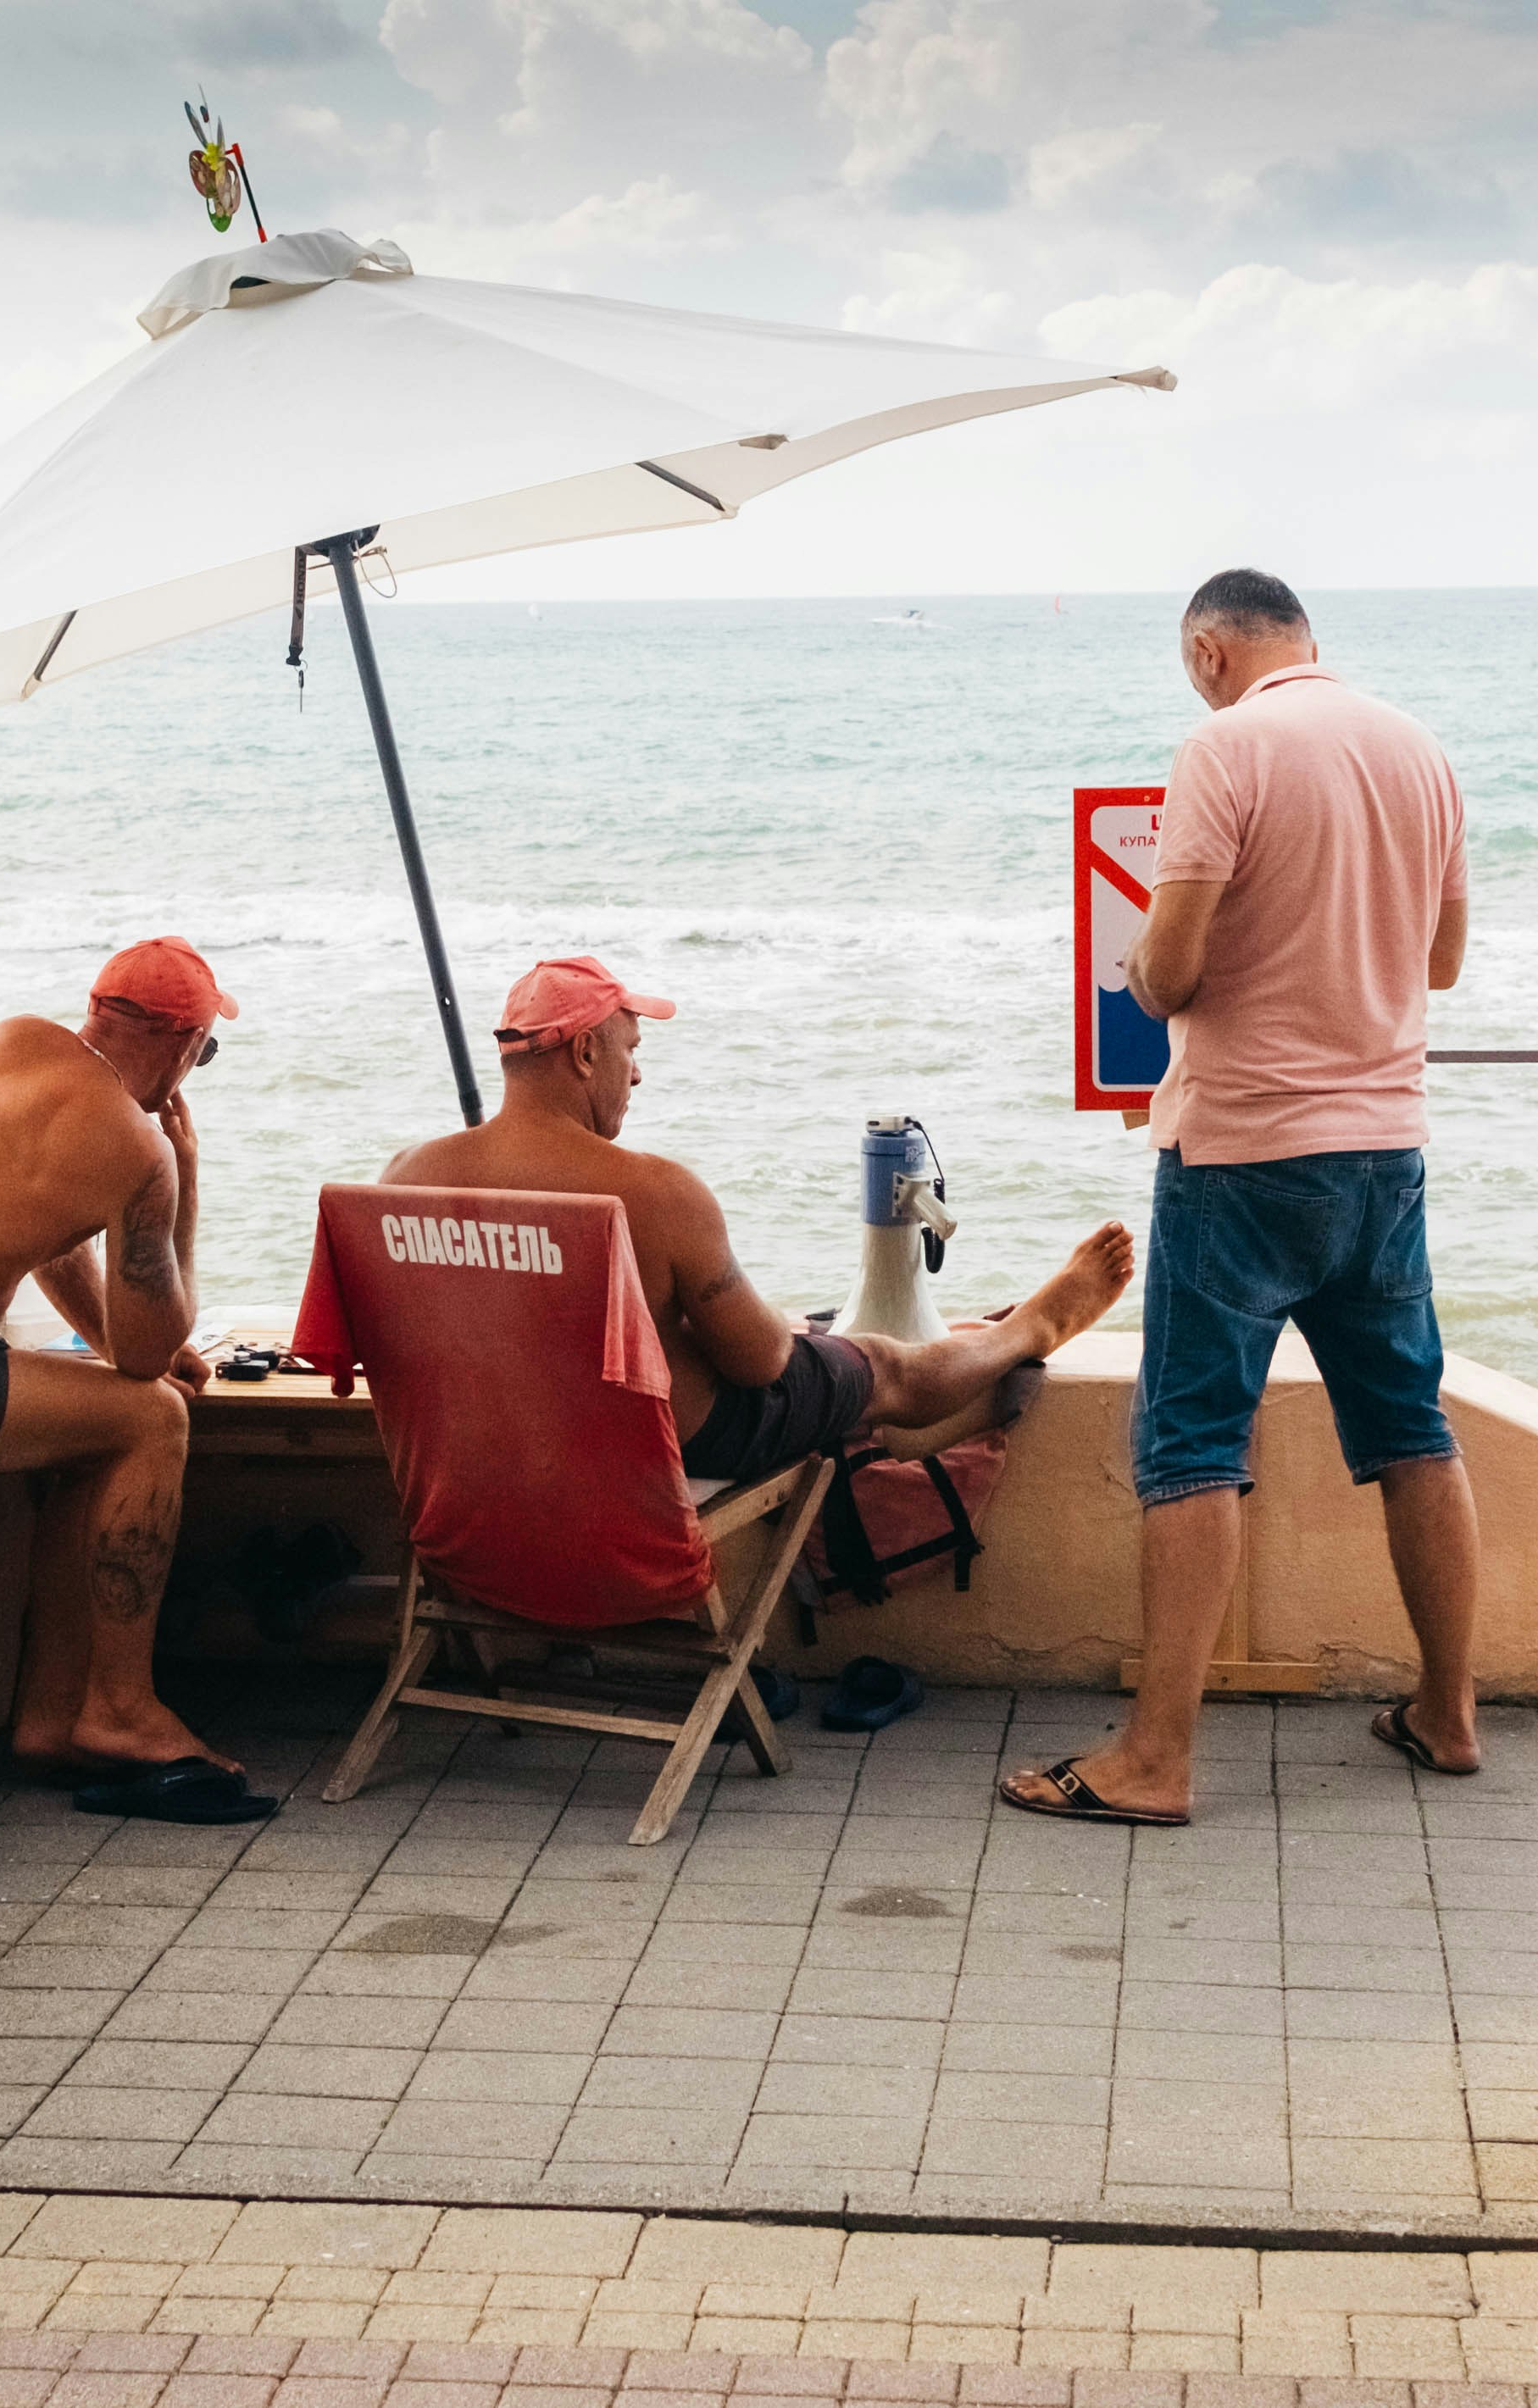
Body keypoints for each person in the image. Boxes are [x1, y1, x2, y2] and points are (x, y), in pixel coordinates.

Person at [1002, 570, 1480, 1828]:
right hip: (1383, 1150)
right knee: (1409, 1430)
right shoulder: (1417, 748)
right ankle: (1447, 1711)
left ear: (1209, 649)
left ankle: (1153, 1758)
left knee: (1191, 1443)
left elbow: (1166, 972)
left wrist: (1147, 969)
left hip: (1242, 1155)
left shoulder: (1222, 745)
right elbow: (1439, 960)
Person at [381, 956, 1135, 1487]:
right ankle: (1028, 1330)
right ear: (583, 1052)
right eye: (629, 1051)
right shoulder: (655, 1191)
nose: (636, 1074)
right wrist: (790, 1335)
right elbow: (760, 1364)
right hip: (663, 1461)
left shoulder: (407, 1177)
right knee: (880, 1364)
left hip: (489, 1473)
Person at [0, 935, 272, 1821]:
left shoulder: (12, 1042)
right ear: (184, 1042)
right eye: (206, 1050)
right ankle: (122, 1709)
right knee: (153, 1420)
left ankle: (54, 1717)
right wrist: (184, 1184)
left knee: (103, 1428)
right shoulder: (134, 1146)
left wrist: (112, 1338)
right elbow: (146, 1363)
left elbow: (49, 1242)